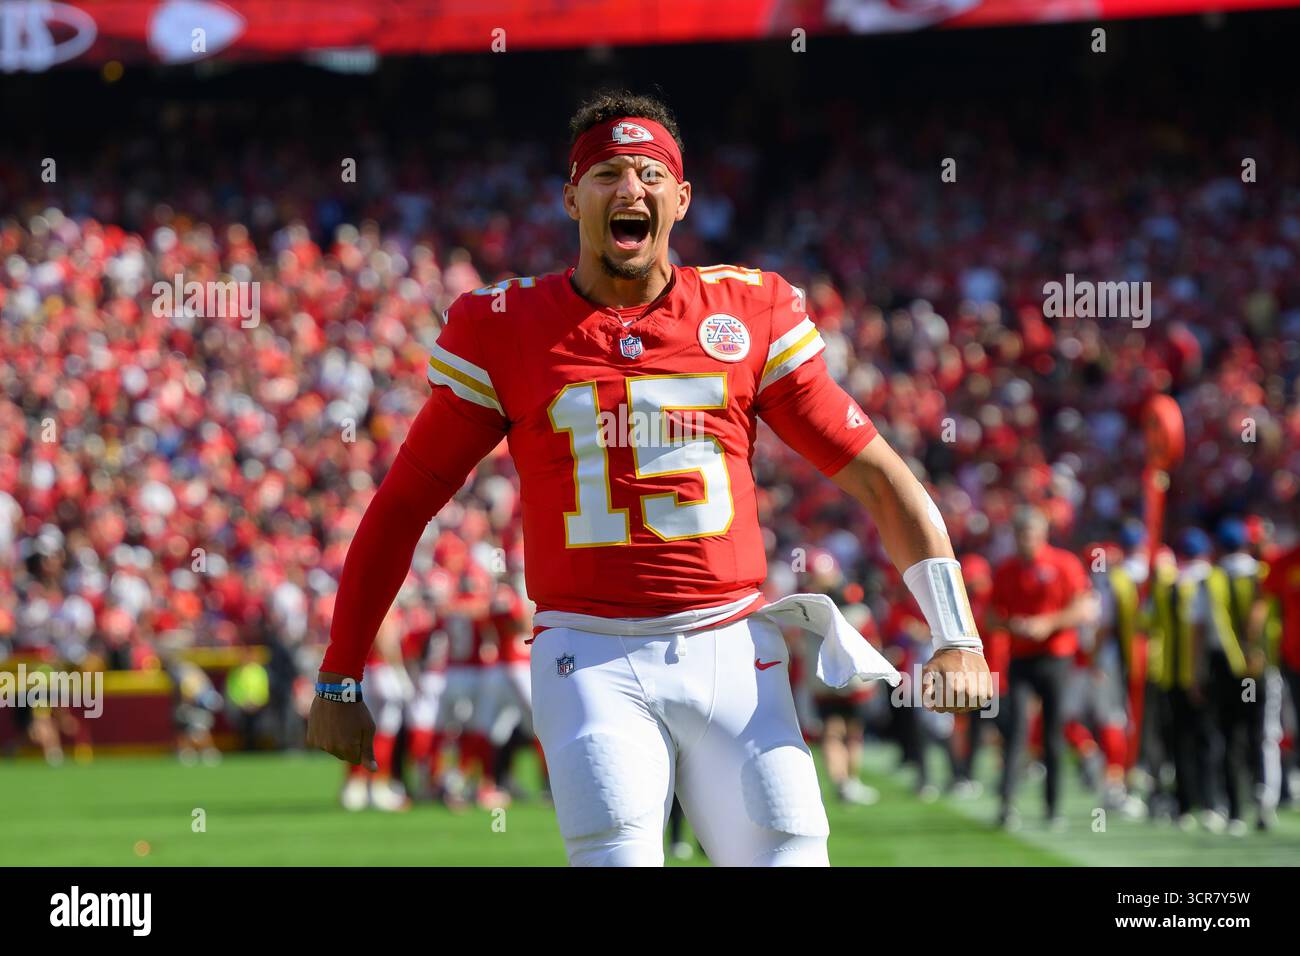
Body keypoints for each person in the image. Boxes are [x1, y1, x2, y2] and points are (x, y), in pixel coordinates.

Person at [307, 90, 991, 867]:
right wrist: (339, 674)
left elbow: (878, 477)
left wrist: (956, 634)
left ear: (681, 197)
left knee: (792, 856)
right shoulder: (505, 328)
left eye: (648, 173)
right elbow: (404, 503)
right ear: (572, 197)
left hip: (732, 645)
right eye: (605, 174)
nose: (629, 189)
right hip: (589, 654)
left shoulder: (746, 312)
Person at [990, 505, 1096, 829]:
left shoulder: (1063, 564)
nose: (1026, 541)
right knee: (1016, 731)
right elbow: (991, 615)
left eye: (1031, 534)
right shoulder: (1007, 569)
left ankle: (1053, 807)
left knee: (1052, 733)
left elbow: (1085, 607)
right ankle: (1007, 803)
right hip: (1021, 657)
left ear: (1043, 535)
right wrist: (1013, 625)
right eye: (1021, 535)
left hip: (1056, 657)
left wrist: (1047, 624)